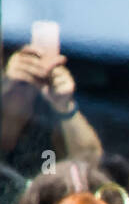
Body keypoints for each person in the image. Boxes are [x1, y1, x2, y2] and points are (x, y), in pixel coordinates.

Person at [1, 40, 102, 177]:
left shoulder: (45, 129)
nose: (23, 92)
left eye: (34, 79)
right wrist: (6, 85)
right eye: (20, 83)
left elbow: (90, 163)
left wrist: (65, 106)